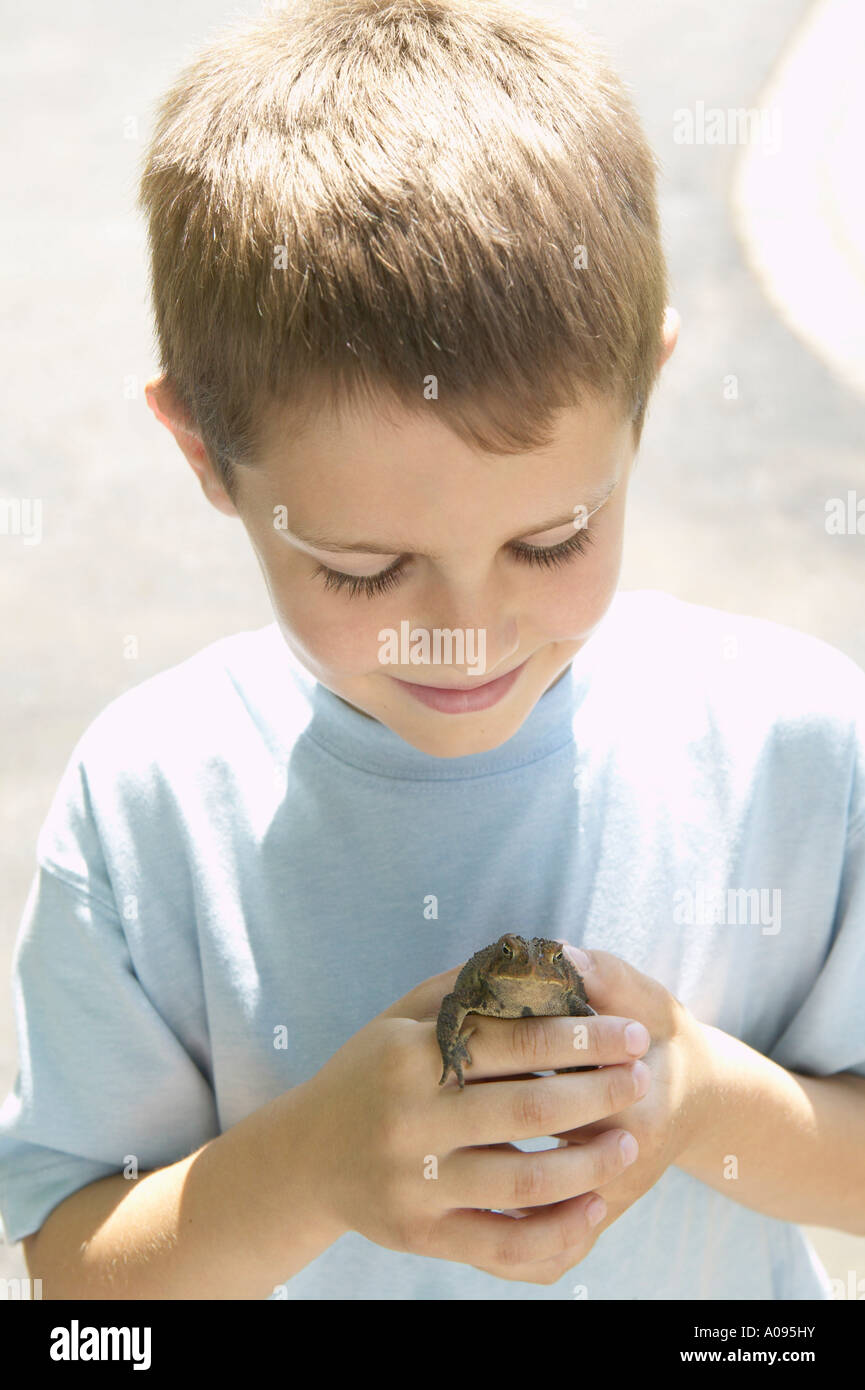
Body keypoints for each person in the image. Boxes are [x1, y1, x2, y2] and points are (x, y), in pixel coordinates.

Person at [1, 0, 863, 1300]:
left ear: (643, 402)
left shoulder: (795, 748)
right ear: (203, 457)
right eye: (364, 566)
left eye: (552, 536)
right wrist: (309, 1166)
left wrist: (695, 1095)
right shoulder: (154, 804)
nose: (465, 623)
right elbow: (78, 1271)